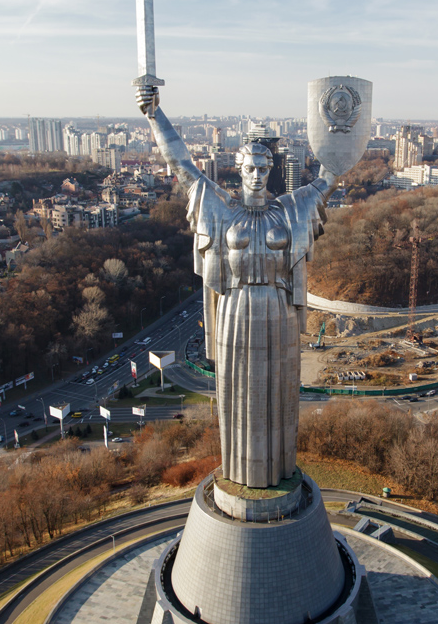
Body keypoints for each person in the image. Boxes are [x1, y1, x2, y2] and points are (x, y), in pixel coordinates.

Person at [136, 84, 340, 488]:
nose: (258, 175)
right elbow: (180, 164)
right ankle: (240, 472)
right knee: (235, 390)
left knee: (279, 390)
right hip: (235, 307)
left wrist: (340, 137)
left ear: (272, 170)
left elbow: (329, 179)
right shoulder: (220, 208)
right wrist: (154, 114)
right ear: (238, 169)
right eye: (250, 168)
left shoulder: (290, 211)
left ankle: (278, 470)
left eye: (265, 168)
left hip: (278, 308)